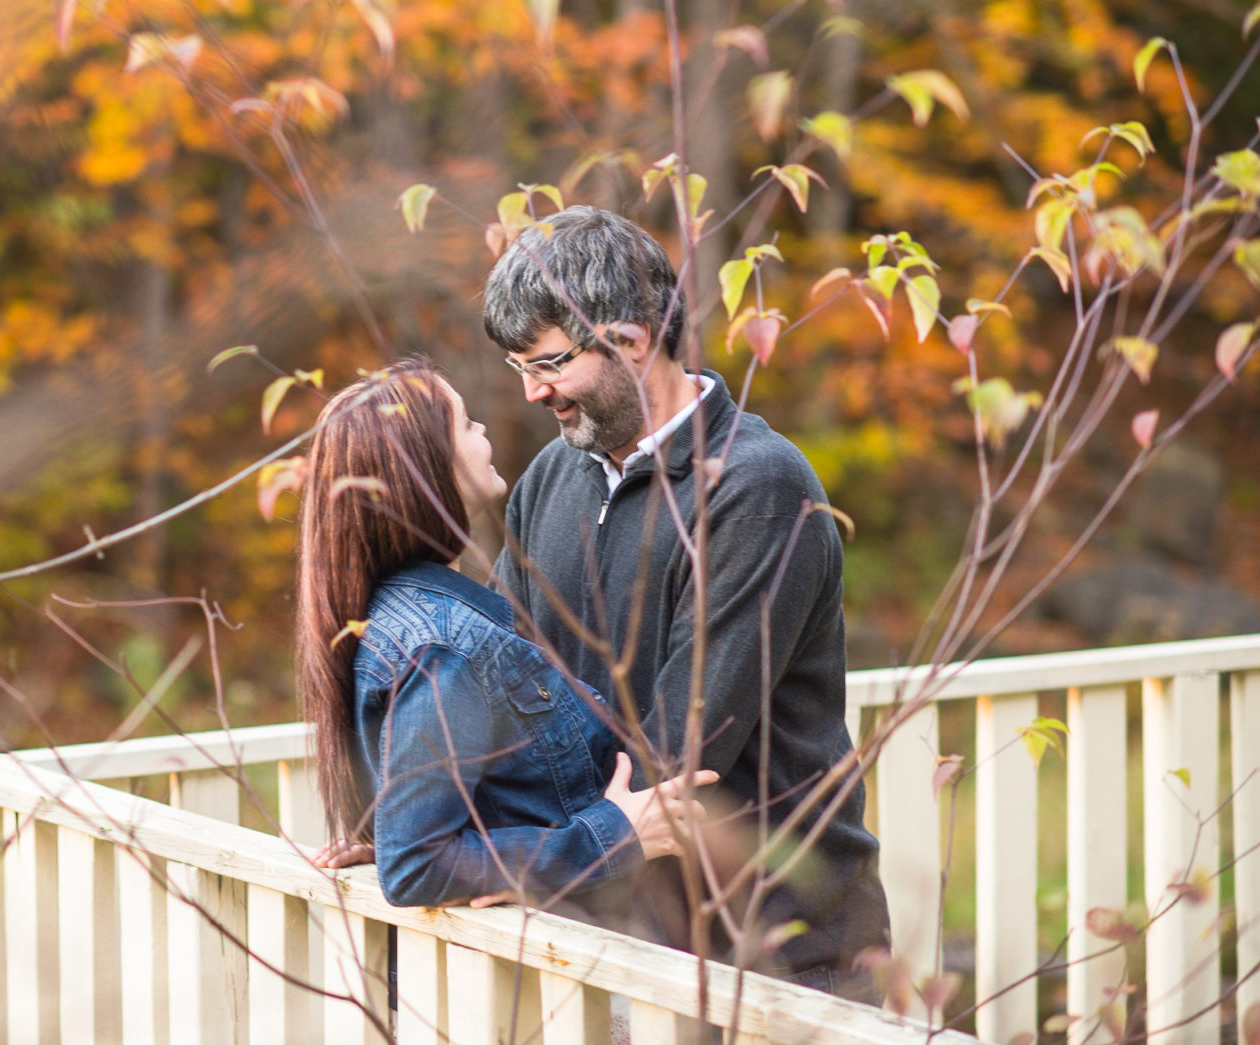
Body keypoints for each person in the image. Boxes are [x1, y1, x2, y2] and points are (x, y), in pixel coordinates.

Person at [482, 204, 889, 995]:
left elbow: (682, 748)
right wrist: (429, 823)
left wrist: (535, 854)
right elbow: (496, 678)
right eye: (517, 367)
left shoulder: (755, 488)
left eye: (550, 363)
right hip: (619, 933)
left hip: (776, 950)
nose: (532, 392)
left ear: (633, 340)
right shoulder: (551, 478)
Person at [294, 355, 715, 912]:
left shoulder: (394, 614)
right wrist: (611, 837)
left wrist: (475, 856)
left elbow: (457, 810)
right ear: (427, 467)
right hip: (543, 951)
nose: (484, 429)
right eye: (467, 423)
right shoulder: (440, 646)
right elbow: (417, 864)